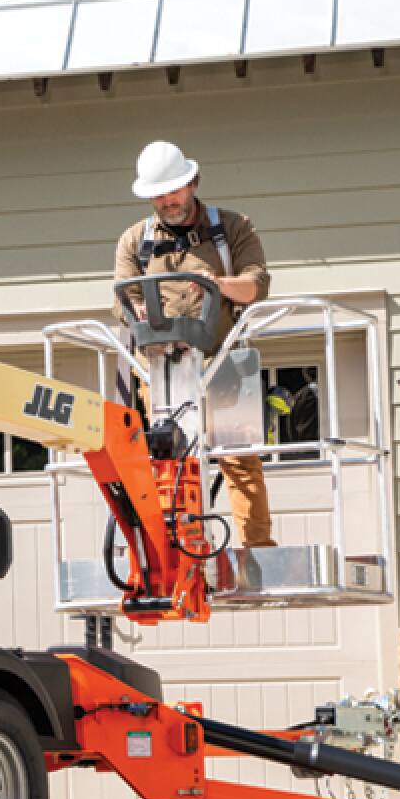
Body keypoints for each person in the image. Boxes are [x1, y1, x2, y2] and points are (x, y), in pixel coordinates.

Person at [111, 140, 274, 547]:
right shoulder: (134, 241)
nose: (167, 200)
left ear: (193, 182)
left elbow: (257, 284)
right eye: (159, 194)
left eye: (174, 190)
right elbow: (123, 300)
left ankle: (256, 548)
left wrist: (218, 286)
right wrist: (142, 314)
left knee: (239, 459)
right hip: (161, 370)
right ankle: (182, 546)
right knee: (169, 461)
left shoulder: (232, 228)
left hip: (222, 363)